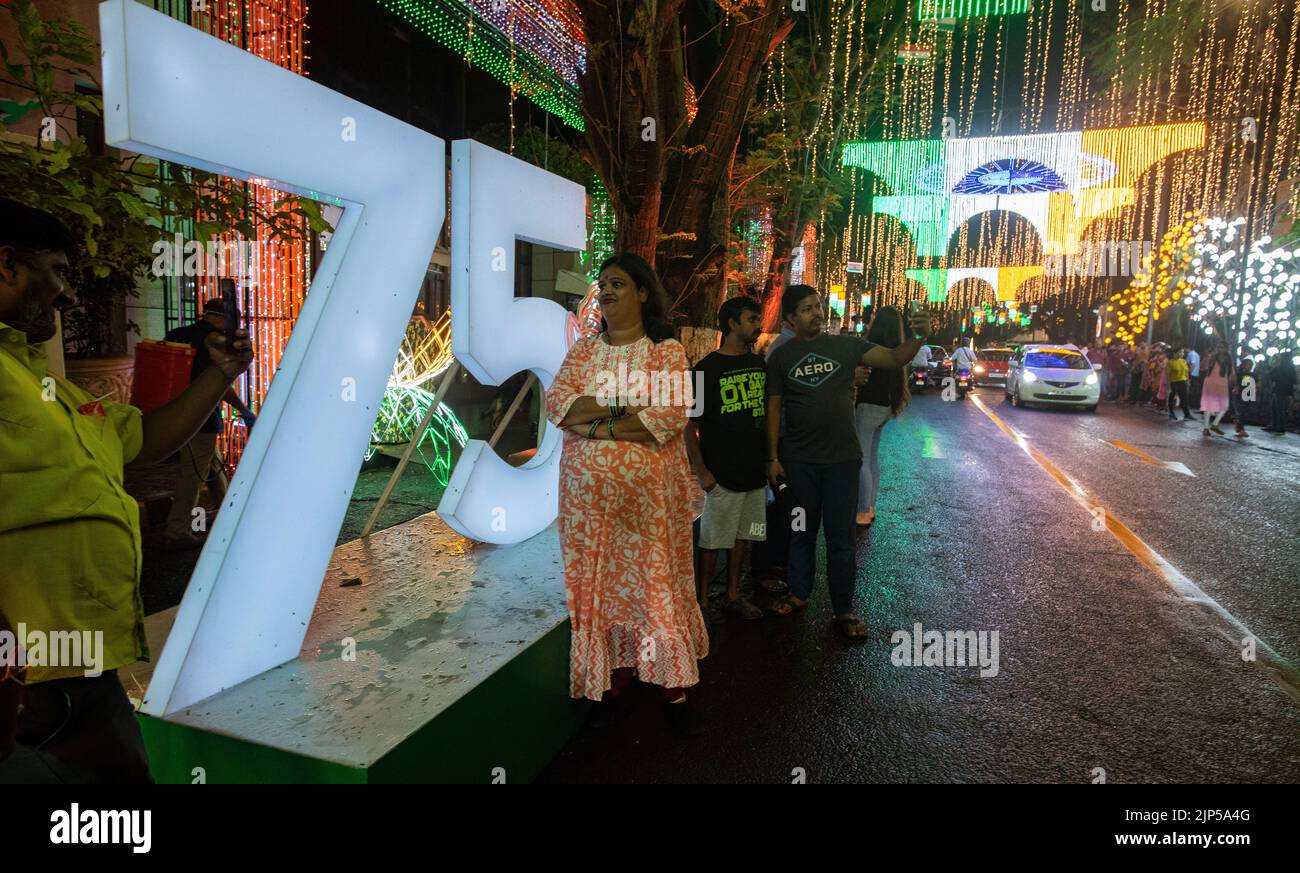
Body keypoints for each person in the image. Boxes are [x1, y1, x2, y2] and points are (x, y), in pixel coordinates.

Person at [0, 199, 254, 782]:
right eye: (59, 271)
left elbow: (140, 439)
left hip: (82, 662)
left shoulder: (41, 381)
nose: (67, 295)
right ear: (9, 264)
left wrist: (220, 375)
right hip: (30, 675)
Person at [545, 253, 708, 735]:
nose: (607, 291)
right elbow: (558, 404)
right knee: (598, 589)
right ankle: (612, 680)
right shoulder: (585, 353)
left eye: (617, 283)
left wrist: (591, 421)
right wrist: (627, 405)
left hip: (649, 505)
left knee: (653, 589)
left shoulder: (665, 352)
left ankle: (669, 686)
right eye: (602, 284)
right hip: (586, 503)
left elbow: (669, 416)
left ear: (642, 292)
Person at [765, 285, 933, 641]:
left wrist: (919, 336)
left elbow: (894, 358)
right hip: (799, 465)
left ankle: (844, 609)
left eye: (818, 306)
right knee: (800, 532)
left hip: (842, 463)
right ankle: (798, 594)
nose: (817, 313)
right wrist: (773, 458)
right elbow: (774, 408)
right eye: (807, 309)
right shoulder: (780, 357)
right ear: (791, 319)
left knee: (841, 539)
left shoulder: (847, 346)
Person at [684, 297, 767, 620]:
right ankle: (702, 602)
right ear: (732, 323)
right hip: (722, 471)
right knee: (712, 538)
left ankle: (733, 595)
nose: (757, 325)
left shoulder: (759, 364)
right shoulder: (706, 369)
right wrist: (701, 469)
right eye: (751, 319)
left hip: (754, 469)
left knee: (745, 534)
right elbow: (689, 424)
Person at [161, 298, 256, 550]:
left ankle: (228, 517)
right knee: (192, 476)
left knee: (212, 467)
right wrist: (245, 411)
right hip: (201, 419)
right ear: (222, 318)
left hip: (171, 414)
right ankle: (177, 530)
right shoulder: (214, 343)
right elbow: (219, 385)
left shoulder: (178, 335)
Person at [853, 306, 909, 527]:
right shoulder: (898, 350)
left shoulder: (872, 348)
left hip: (868, 407)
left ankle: (863, 510)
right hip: (885, 407)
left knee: (862, 460)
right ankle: (871, 505)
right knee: (872, 459)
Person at [1198, 341, 1232, 436]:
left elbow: (1202, 367)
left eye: (1221, 347)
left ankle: (1209, 427)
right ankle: (1212, 425)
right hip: (1219, 383)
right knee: (1223, 405)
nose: (1219, 349)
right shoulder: (1225, 358)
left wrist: (1206, 356)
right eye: (1219, 347)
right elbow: (1231, 373)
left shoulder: (1214, 357)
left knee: (1210, 405)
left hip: (1213, 383)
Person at [1264, 352, 1296, 433]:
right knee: (1280, 408)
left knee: (1277, 408)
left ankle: (1278, 426)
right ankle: (1278, 426)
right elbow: (1294, 380)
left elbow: (1271, 375)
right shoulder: (1291, 367)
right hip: (1286, 390)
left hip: (1278, 389)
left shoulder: (1280, 367)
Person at [1165, 348, 1191, 421]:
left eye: (1182, 352)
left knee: (1184, 398)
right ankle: (1171, 413)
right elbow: (1167, 374)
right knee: (1172, 397)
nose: (1181, 354)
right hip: (1174, 382)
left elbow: (1186, 372)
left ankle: (1187, 414)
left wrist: (1188, 381)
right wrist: (1168, 385)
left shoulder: (1183, 361)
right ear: (1174, 353)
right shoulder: (1170, 362)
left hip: (1183, 381)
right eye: (1179, 352)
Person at [1230, 358, 1253, 437]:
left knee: (1245, 412)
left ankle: (1238, 425)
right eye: (1247, 365)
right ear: (1243, 366)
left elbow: (1257, 384)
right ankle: (1241, 429)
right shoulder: (1240, 374)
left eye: (1250, 365)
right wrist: (1236, 388)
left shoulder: (1253, 375)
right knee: (1241, 413)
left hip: (1249, 395)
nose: (1248, 367)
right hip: (1240, 395)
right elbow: (1236, 383)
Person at [1186, 343, 1202, 410]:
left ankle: (1191, 404)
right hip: (1196, 374)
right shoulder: (1196, 354)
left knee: (1191, 390)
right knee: (1194, 390)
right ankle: (1194, 404)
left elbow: (1193, 364)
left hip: (1192, 374)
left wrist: (1189, 373)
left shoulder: (1191, 354)